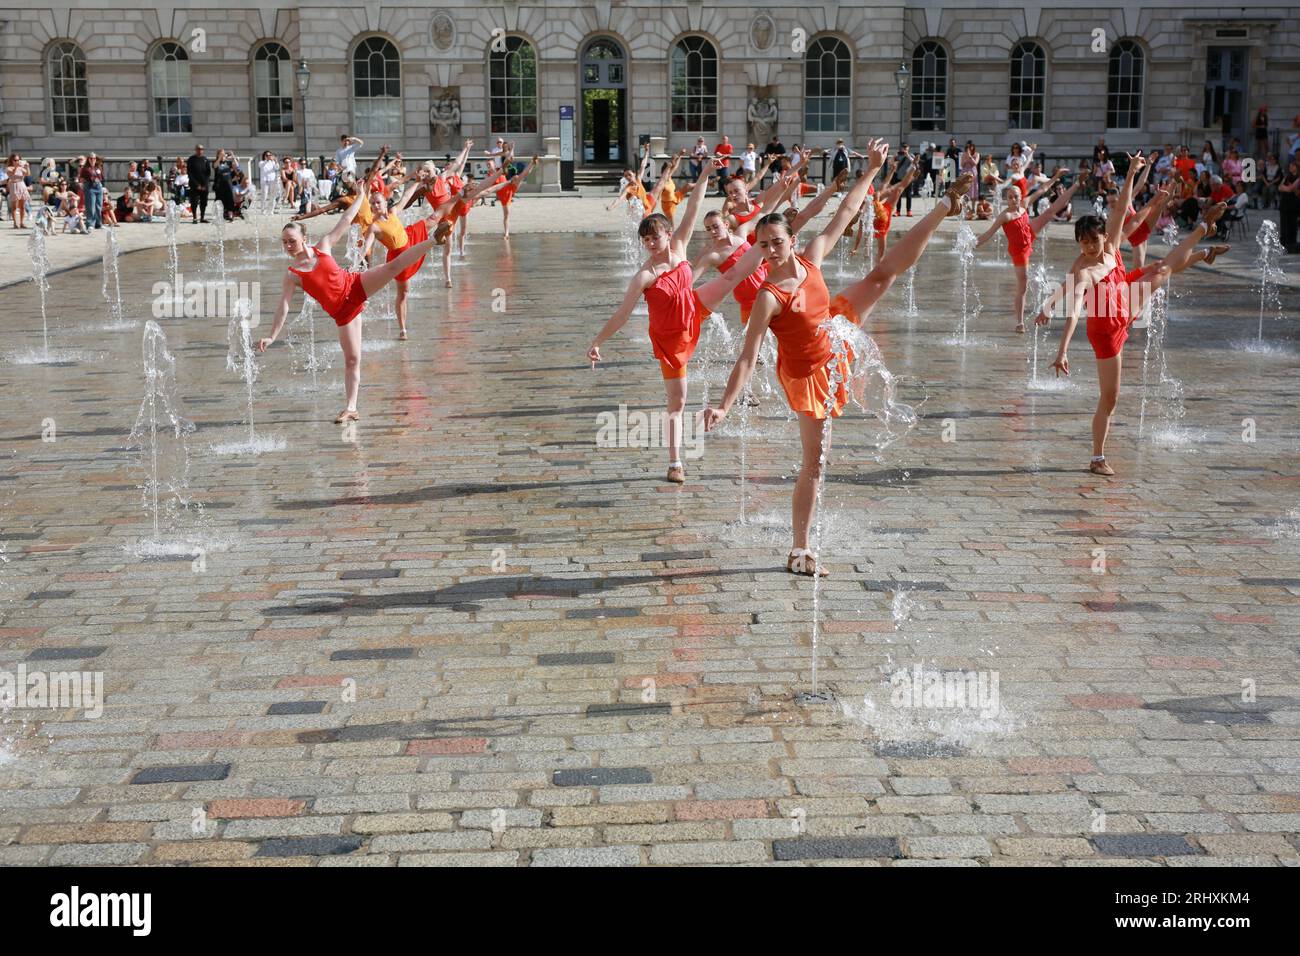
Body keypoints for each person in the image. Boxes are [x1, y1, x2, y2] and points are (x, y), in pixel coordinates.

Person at [703, 146, 969, 576]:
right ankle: (800, 550)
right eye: (763, 245)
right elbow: (748, 357)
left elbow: (846, 210)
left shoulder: (810, 258)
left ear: (791, 239)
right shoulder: (768, 298)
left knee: (882, 276)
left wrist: (873, 170)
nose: (770, 250)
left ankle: (943, 206)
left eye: (777, 242)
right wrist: (725, 405)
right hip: (806, 372)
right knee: (816, 462)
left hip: (832, 329)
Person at [1035, 154, 1229, 476]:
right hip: (1105, 332)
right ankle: (1097, 458)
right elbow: (1073, 310)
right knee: (1110, 398)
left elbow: (1124, 207)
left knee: (1163, 269)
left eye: (1092, 241)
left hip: (1124, 302)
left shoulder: (1110, 248)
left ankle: (1202, 229)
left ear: (1103, 237)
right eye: (1082, 243)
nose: (1088, 247)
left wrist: (1132, 175)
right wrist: (1062, 349)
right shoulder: (1085, 270)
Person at [587, 157, 769, 484]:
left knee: (729, 281)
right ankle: (675, 461)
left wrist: (706, 174)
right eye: (645, 240)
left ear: (667, 234)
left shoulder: (680, 246)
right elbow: (623, 312)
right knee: (679, 400)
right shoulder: (644, 275)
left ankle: (768, 246)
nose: (650, 244)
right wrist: (598, 341)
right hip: (670, 336)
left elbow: (694, 206)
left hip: (693, 307)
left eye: (654, 237)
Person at [258, 182, 437, 424]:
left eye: (292, 240)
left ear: (304, 238)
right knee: (352, 360)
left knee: (392, 267)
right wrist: (271, 336)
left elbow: (345, 220)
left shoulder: (323, 246)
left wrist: (361, 196)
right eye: (284, 242)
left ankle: (434, 240)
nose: (288, 246)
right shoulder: (292, 274)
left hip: (355, 285)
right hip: (343, 313)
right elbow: (284, 307)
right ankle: (351, 408)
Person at [975, 169, 1076, 331]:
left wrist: (1056, 176)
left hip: (1029, 233)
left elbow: (1042, 189)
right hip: (1018, 250)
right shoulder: (1005, 216)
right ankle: (1019, 322)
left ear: (1020, 196)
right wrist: (973, 244)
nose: (1014, 199)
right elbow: (988, 234)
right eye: (1010, 197)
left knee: (1050, 212)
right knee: (1023, 284)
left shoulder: (1024, 204)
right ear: (1006, 200)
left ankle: (1075, 187)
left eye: (1016, 196)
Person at [1279, 157, 1300, 253]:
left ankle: (1291, 245)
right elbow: (1280, 187)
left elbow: (1291, 189)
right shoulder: (1287, 176)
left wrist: (1286, 188)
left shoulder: (1298, 178)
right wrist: (1286, 188)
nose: (1290, 167)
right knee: (1283, 225)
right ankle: (1283, 244)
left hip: (1293, 205)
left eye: (1292, 166)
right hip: (1284, 204)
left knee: (1292, 225)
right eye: (1290, 166)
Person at [4, 154, 30, 230]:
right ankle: (15, 223)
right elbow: (12, 173)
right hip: (14, 186)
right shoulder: (8, 168)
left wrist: (27, 166)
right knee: (14, 206)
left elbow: (28, 174)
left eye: (18, 160)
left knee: (22, 206)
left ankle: (22, 222)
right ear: (12, 160)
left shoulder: (20, 168)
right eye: (15, 160)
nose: (17, 161)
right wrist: (16, 167)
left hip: (22, 186)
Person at [186, 145, 211, 223]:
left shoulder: (205, 159)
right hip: (194, 185)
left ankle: (202, 218)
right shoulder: (191, 159)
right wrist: (197, 185)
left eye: (201, 149)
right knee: (194, 202)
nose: (200, 150)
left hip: (204, 185)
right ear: (196, 150)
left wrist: (204, 185)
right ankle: (194, 218)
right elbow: (189, 173)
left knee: (204, 202)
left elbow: (208, 173)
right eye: (198, 149)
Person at [79, 153, 105, 230]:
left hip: (98, 187)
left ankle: (98, 223)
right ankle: (90, 224)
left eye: (94, 158)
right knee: (91, 206)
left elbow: (102, 177)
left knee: (99, 206)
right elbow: (81, 178)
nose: (93, 160)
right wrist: (84, 183)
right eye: (91, 158)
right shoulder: (85, 168)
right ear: (88, 159)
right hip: (90, 187)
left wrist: (101, 184)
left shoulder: (98, 167)